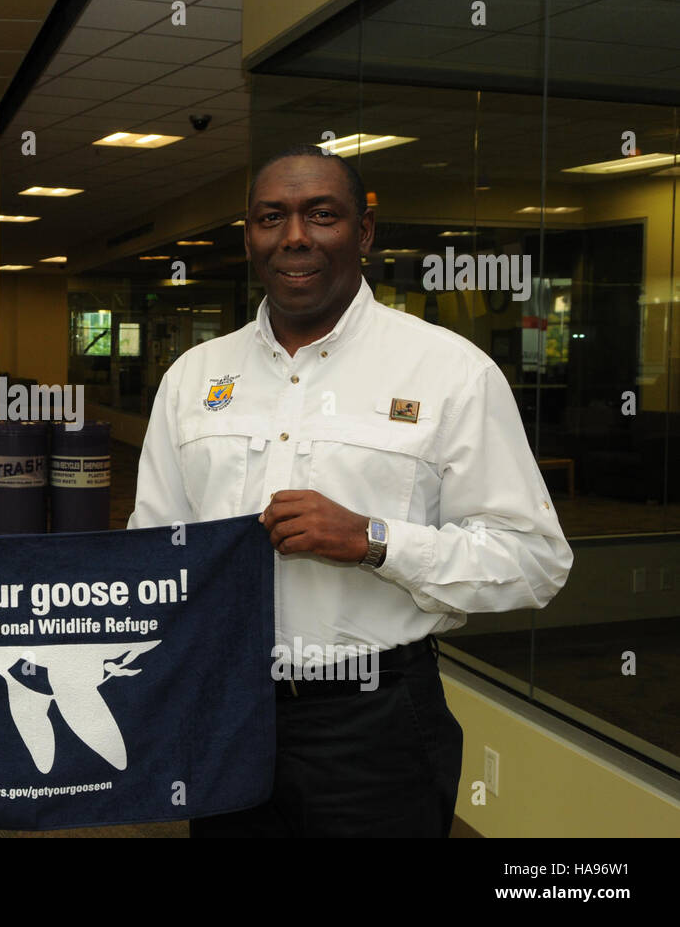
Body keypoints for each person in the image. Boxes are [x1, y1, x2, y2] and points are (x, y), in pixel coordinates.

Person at [128, 145, 573, 837]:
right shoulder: (193, 377)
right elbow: (153, 554)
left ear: (363, 233)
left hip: (375, 725)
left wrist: (374, 541)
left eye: (322, 215)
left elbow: (536, 560)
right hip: (227, 709)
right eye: (271, 217)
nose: (295, 236)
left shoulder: (449, 371)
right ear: (249, 236)